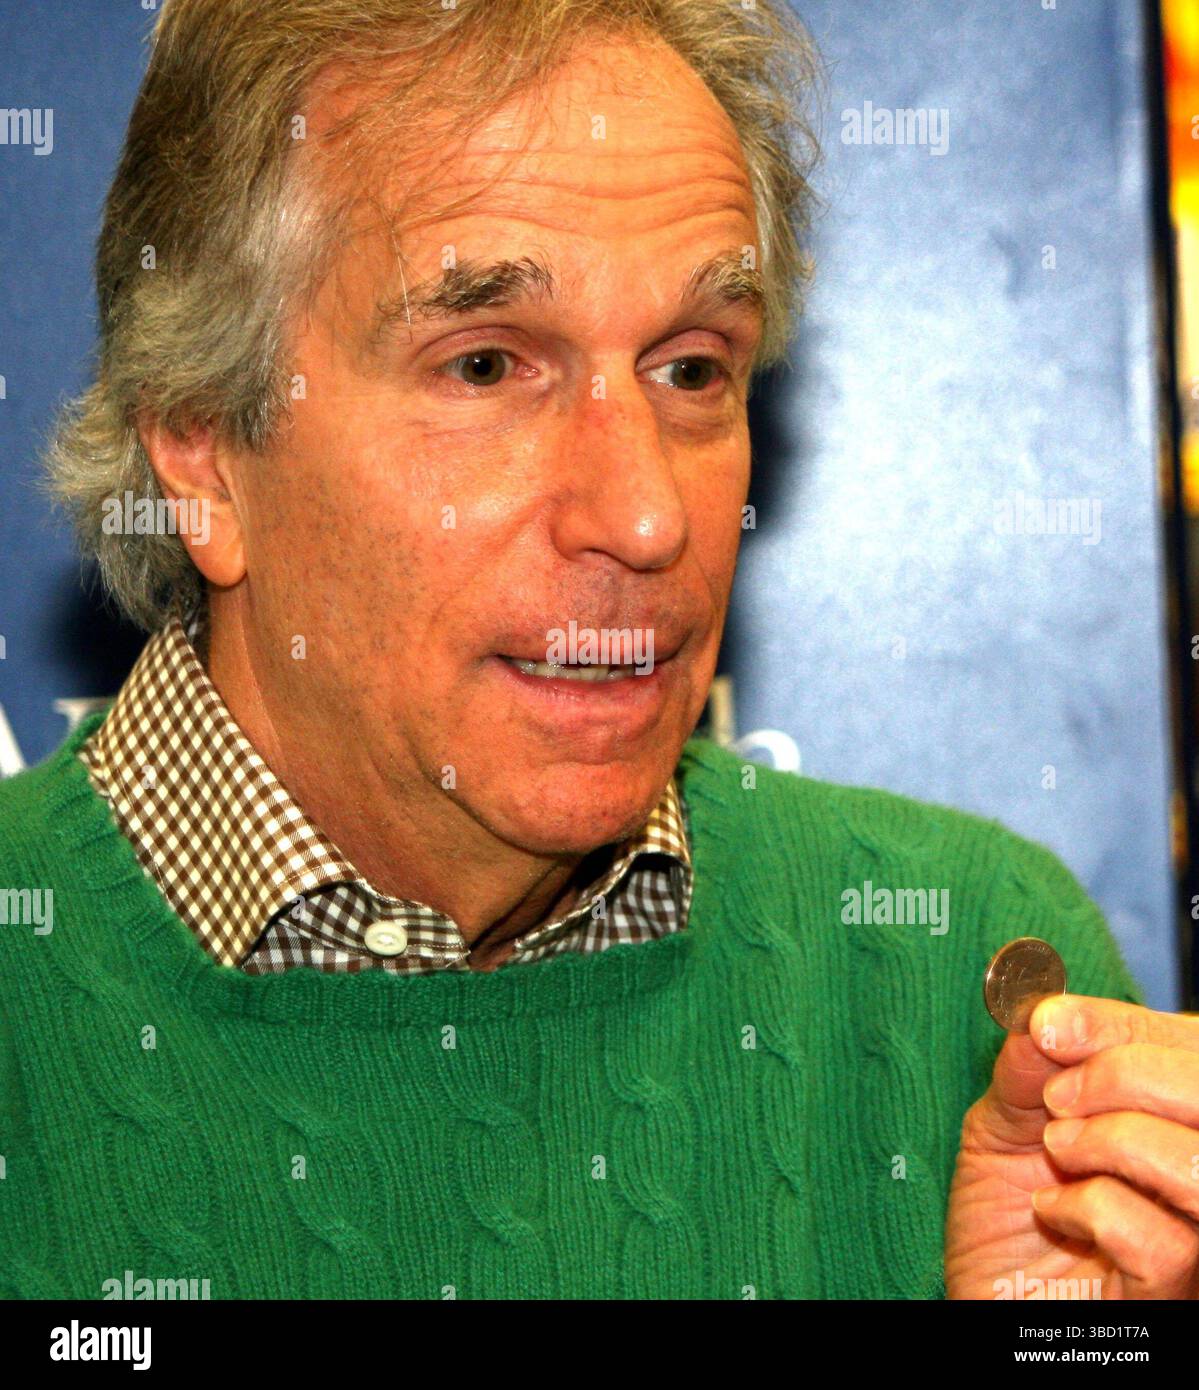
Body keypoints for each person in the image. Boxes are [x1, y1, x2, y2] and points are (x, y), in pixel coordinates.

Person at [1, 0, 1194, 1301]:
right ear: (202, 451)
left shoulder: (960, 979)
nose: (645, 513)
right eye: (488, 364)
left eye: (691, 369)